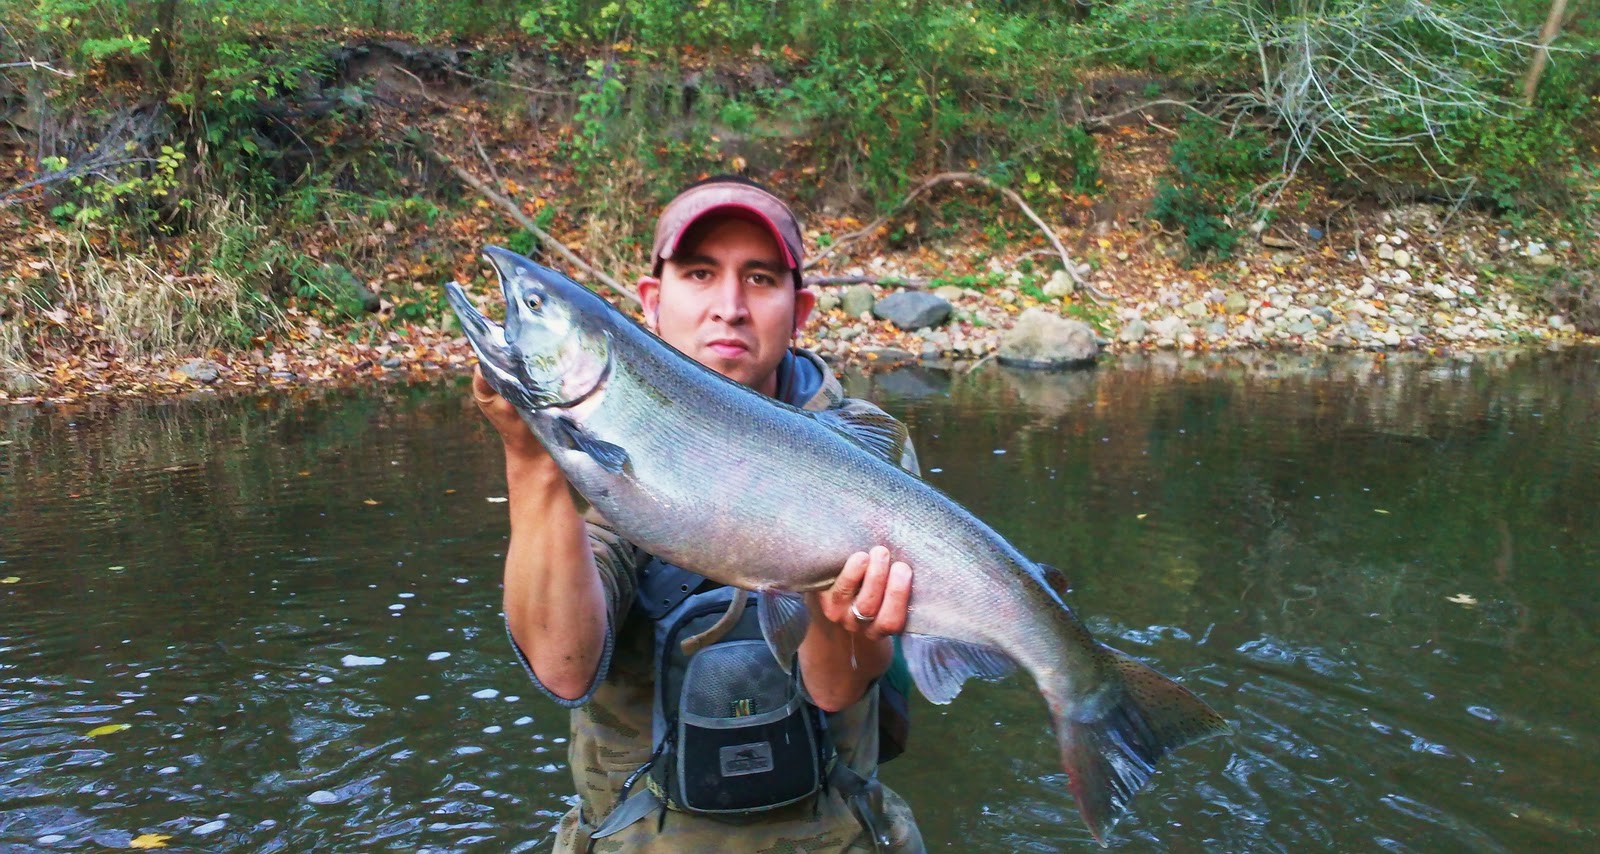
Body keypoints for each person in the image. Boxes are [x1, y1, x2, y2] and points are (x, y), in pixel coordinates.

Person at [470, 176, 926, 853]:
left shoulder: (866, 454)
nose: (730, 307)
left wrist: (838, 609)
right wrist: (531, 455)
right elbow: (563, 667)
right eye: (699, 273)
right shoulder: (598, 448)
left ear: (798, 309)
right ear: (653, 300)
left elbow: (835, 689)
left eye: (761, 278)